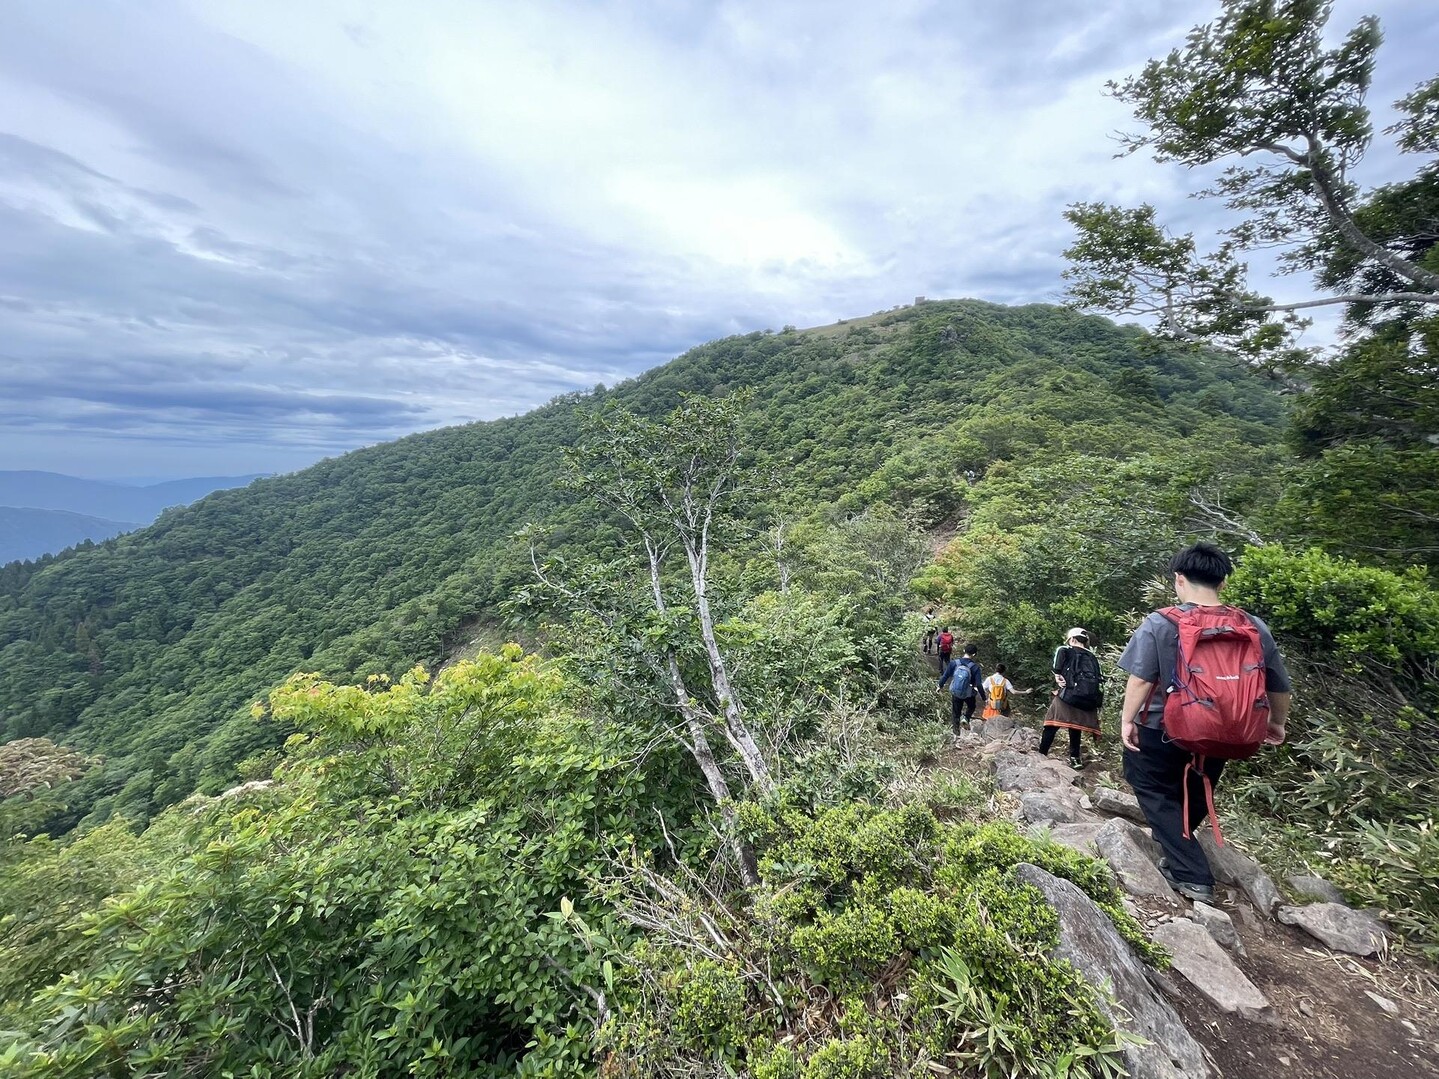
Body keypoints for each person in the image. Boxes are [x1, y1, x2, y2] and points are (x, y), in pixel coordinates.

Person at [1117, 543, 1292, 904]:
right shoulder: (1253, 626)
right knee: (1196, 791)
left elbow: (1140, 679)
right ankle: (1176, 843)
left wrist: (1127, 719)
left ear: (1179, 580)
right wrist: (1276, 723)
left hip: (1160, 727)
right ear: (1222, 583)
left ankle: (1191, 873)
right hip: (1225, 729)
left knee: (1150, 787)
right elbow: (1278, 683)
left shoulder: (1161, 622)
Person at [1041, 628, 1102, 768]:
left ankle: (1042, 753)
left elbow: (1057, 667)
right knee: (1075, 727)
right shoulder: (1092, 657)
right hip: (1087, 699)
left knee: (1051, 723)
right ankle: (1075, 759)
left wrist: (1057, 676)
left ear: (1072, 639)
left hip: (1068, 695)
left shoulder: (1065, 649)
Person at [938, 643, 983, 744]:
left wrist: (939, 686)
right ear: (974, 654)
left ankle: (956, 733)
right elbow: (979, 684)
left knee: (955, 712)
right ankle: (966, 717)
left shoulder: (954, 663)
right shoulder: (975, 667)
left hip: (956, 692)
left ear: (964, 650)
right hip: (968, 694)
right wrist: (984, 697)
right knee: (972, 707)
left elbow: (945, 676)